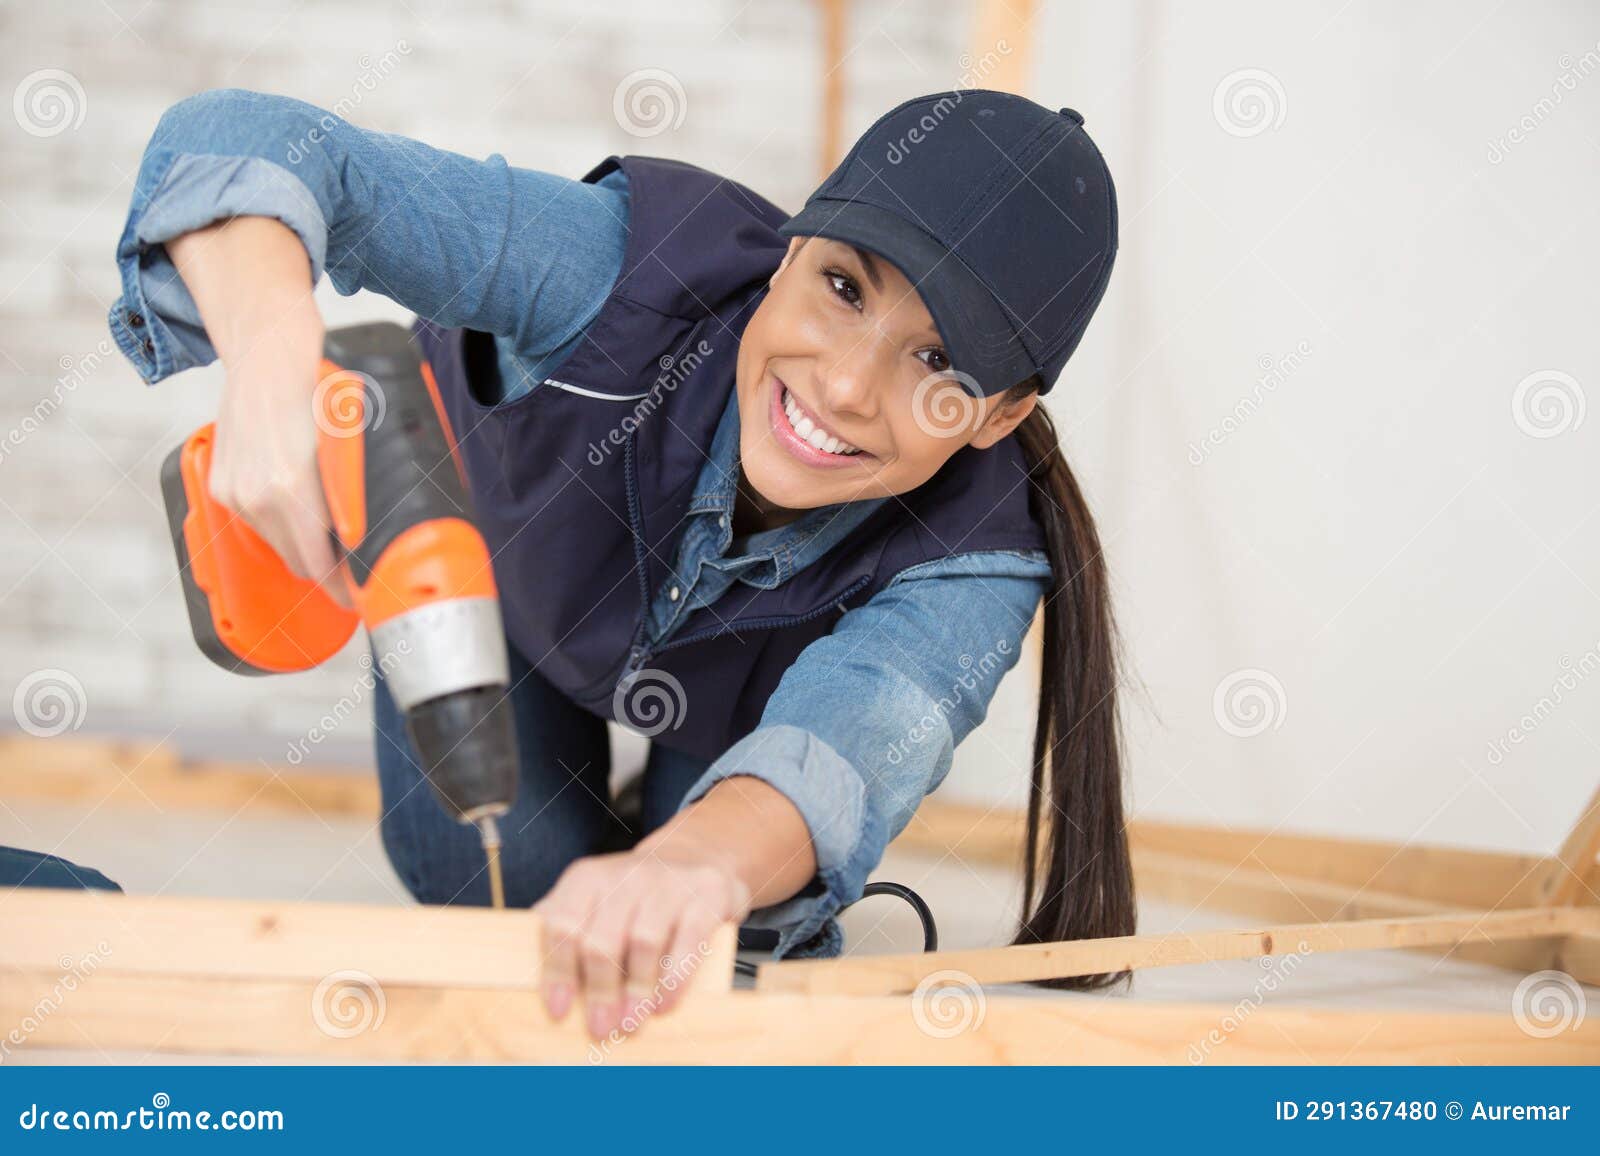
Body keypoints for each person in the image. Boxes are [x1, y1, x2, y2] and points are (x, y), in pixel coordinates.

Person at [106, 86, 1133, 1039]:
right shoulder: (619, 270)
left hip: (738, 713)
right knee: (500, 897)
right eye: (840, 287)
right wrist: (269, 356)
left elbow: (842, 756)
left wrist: (695, 865)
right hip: (501, 577)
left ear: (1000, 413)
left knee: (706, 947)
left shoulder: (977, 558)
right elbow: (247, 135)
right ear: (788, 251)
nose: (848, 386)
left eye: (936, 364)